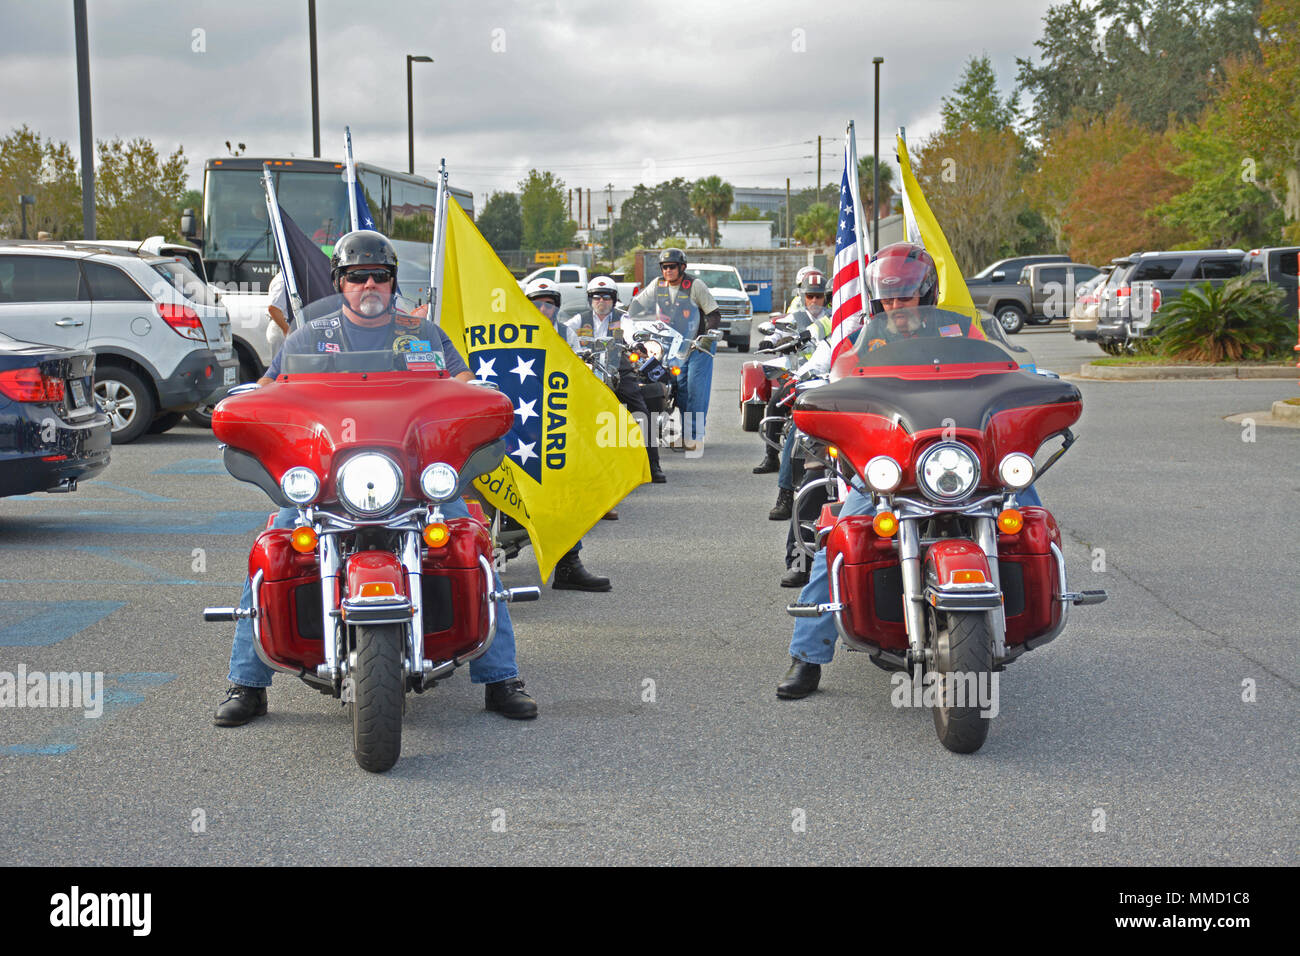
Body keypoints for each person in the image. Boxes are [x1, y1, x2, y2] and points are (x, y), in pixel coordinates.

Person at [215, 230, 539, 725]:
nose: (369, 284)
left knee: (472, 549)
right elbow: (266, 390)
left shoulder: (423, 335)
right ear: (339, 282)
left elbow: (463, 384)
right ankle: (246, 683)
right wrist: (240, 405)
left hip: (411, 474)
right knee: (272, 546)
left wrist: (481, 400)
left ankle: (501, 678)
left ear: (392, 282)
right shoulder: (308, 338)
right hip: (328, 478)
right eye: (355, 275)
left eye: (380, 276)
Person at [775, 242, 1039, 700]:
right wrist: (811, 391)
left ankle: (1037, 607)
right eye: (889, 297)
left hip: (958, 457)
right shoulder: (861, 338)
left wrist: (1036, 376)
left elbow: (1009, 365)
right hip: (891, 464)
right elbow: (829, 374)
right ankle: (807, 657)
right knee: (838, 539)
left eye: (906, 295)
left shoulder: (964, 333)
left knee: (1029, 508)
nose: (897, 306)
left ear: (927, 294)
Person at [520, 278, 614, 592]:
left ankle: (568, 564)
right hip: (513, 422)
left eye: (549, 304)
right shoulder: (509, 332)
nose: (544, 309)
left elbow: (577, 369)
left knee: (565, 479)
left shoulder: (565, 332)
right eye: (537, 303)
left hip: (553, 420)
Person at [566, 275, 666, 485]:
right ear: (590, 299)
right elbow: (563, 334)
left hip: (619, 369)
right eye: (596, 297)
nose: (601, 301)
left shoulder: (623, 318)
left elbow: (632, 333)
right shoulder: (578, 320)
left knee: (641, 410)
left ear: (614, 299)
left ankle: (653, 464)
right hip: (589, 369)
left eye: (606, 297)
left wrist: (637, 344)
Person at [627, 248, 722, 451]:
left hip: (697, 345)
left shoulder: (695, 285)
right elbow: (636, 306)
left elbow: (713, 314)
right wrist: (626, 317)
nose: (668, 271)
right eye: (664, 267)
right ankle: (684, 435)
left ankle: (695, 438)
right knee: (679, 389)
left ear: (682, 267)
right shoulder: (657, 285)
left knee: (696, 390)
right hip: (670, 345)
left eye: (672, 267)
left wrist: (708, 335)